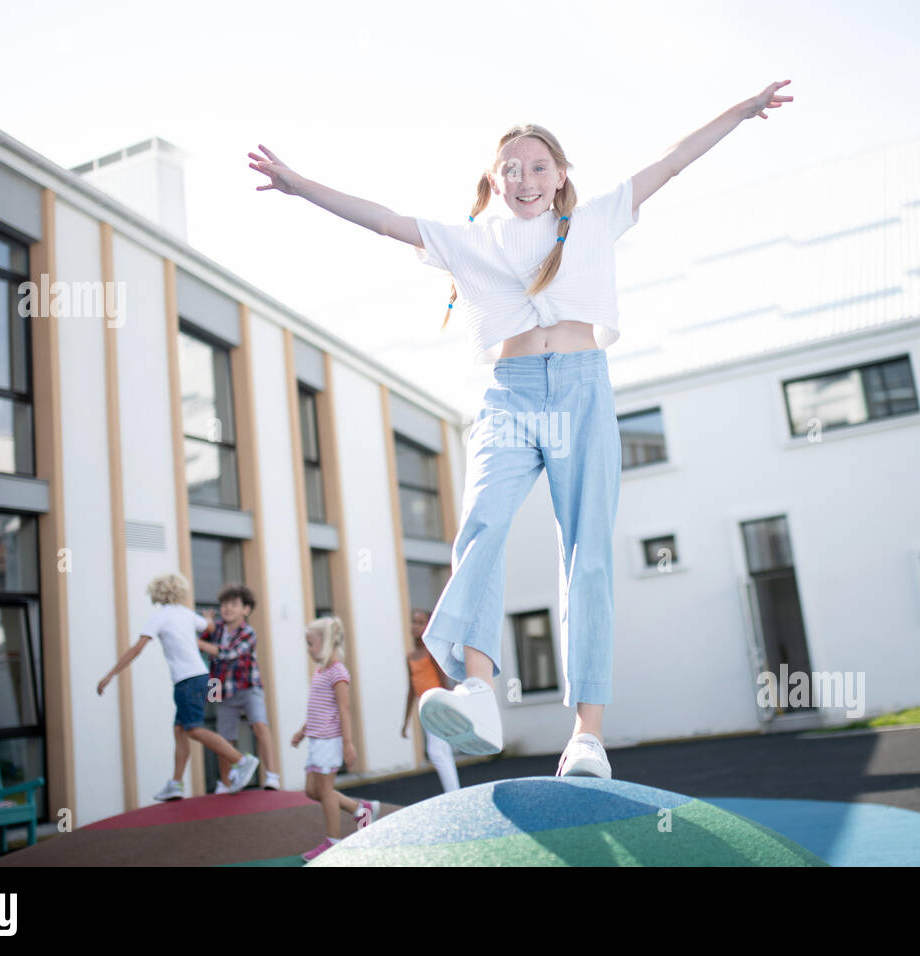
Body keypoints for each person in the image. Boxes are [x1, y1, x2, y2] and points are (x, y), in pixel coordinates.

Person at [249, 80, 794, 780]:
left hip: (580, 388)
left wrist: (743, 112)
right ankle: (477, 690)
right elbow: (382, 219)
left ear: (561, 175)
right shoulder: (467, 241)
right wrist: (299, 186)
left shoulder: (596, 220)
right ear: (492, 178)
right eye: (511, 166)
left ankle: (588, 736)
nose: (526, 178)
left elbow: (676, 158)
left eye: (539, 166)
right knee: (481, 523)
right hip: (507, 396)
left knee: (587, 554)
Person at [98, 572, 261, 801]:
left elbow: (137, 649)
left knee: (194, 729)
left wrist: (110, 674)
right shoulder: (186, 614)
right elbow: (214, 628)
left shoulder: (160, 617)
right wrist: (207, 621)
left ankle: (242, 761)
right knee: (180, 730)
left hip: (187, 680)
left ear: (157, 593)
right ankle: (175, 783)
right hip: (202, 677)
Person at [291, 617, 380, 862]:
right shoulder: (320, 671)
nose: (308, 649)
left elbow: (344, 709)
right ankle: (360, 809)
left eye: (311, 643)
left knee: (326, 791)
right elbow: (318, 709)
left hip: (329, 742)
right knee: (313, 790)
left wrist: (348, 743)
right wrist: (302, 731)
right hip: (316, 740)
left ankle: (333, 841)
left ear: (325, 642)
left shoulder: (338, 672)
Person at [195, 584, 281, 793]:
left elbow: (229, 653)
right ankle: (225, 783)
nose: (228, 608)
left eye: (234, 604)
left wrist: (199, 642)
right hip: (220, 690)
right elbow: (193, 635)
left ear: (246, 610)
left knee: (260, 725)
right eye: (224, 604)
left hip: (248, 687)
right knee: (225, 738)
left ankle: (271, 776)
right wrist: (204, 624)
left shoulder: (248, 633)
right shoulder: (215, 629)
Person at [401, 608, 459, 793]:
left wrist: (452, 704)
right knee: (440, 751)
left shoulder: (431, 652)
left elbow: (444, 680)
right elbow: (412, 688)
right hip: (424, 708)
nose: (415, 626)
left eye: (421, 622)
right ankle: (453, 791)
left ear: (429, 625)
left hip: (437, 704)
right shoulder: (410, 656)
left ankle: (453, 793)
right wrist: (406, 721)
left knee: (437, 751)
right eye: (413, 622)